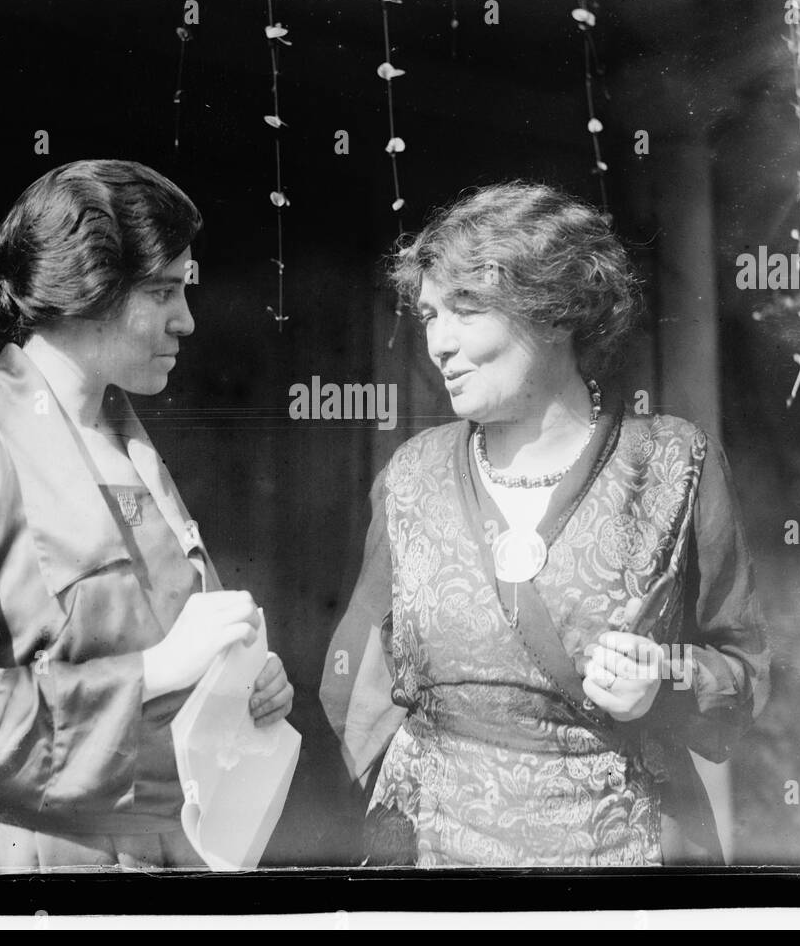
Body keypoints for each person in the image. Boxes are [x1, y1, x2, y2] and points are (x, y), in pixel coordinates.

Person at [321, 181, 769, 867]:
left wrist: (663, 683)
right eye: (430, 314)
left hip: (619, 861)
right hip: (436, 866)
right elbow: (351, 682)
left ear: (557, 314)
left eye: (465, 309)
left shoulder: (674, 463)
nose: (438, 342)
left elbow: (745, 672)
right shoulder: (413, 474)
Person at [0, 159, 293, 872]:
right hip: (22, 858)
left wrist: (237, 684)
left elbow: (171, 638)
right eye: (163, 291)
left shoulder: (128, 446)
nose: (186, 320)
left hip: (161, 848)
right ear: (87, 292)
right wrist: (155, 671)